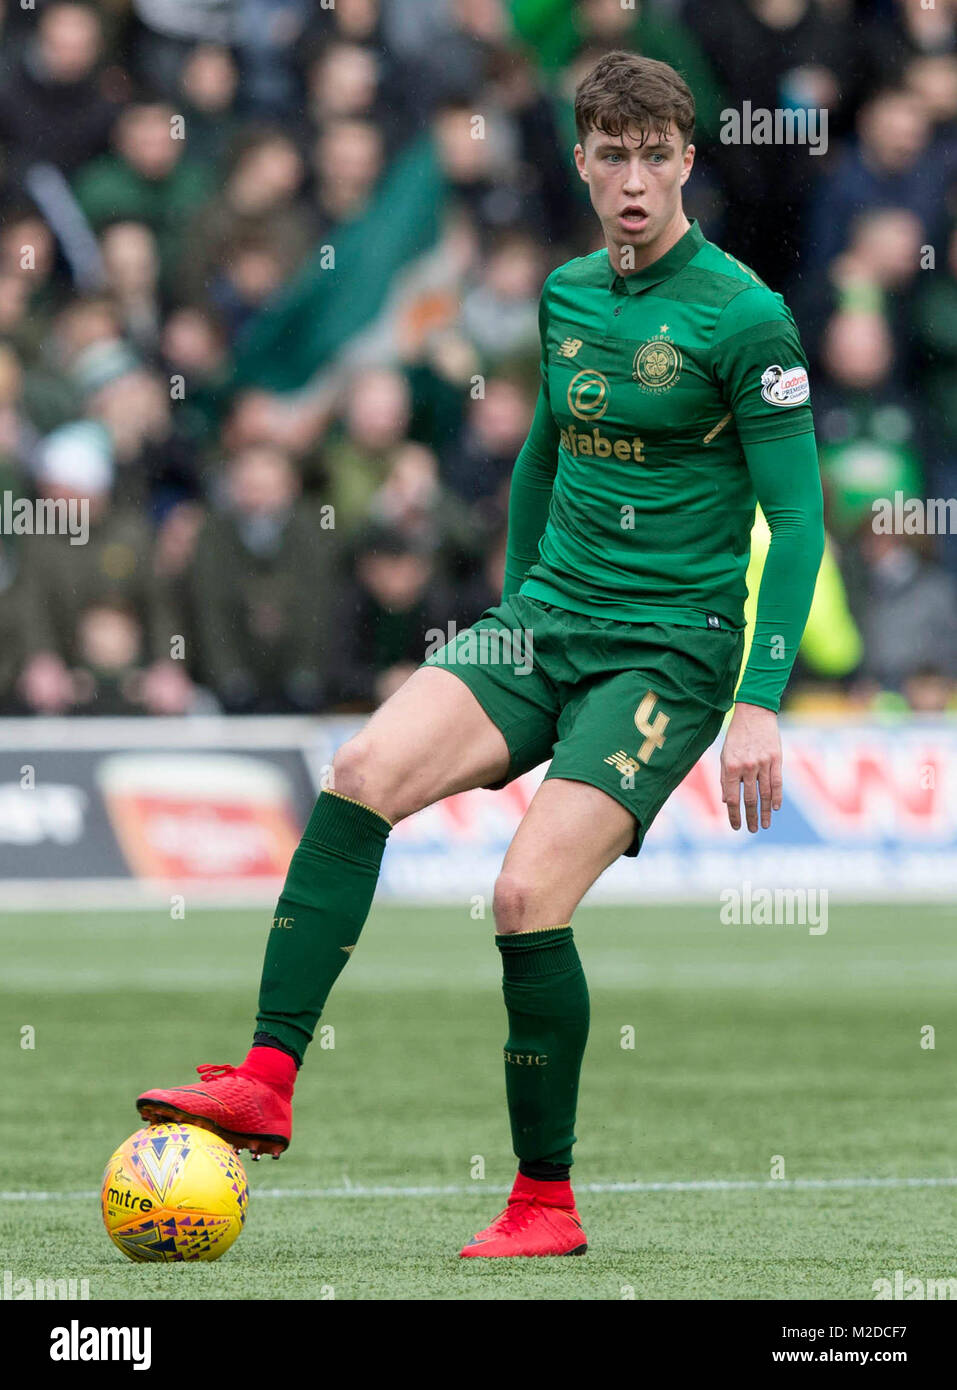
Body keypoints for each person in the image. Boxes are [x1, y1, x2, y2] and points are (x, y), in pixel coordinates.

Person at [136, 52, 825, 1259]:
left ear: (685, 164)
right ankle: (265, 1077)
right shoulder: (564, 299)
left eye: (653, 155)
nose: (630, 180)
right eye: (608, 153)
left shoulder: (745, 315)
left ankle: (543, 1201)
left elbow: (803, 515)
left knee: (522, 896)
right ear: (580, 161)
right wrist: (510, 623)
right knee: (358, 772)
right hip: (547, 622)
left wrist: (761, 701)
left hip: (669, 655)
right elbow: (539, 457)